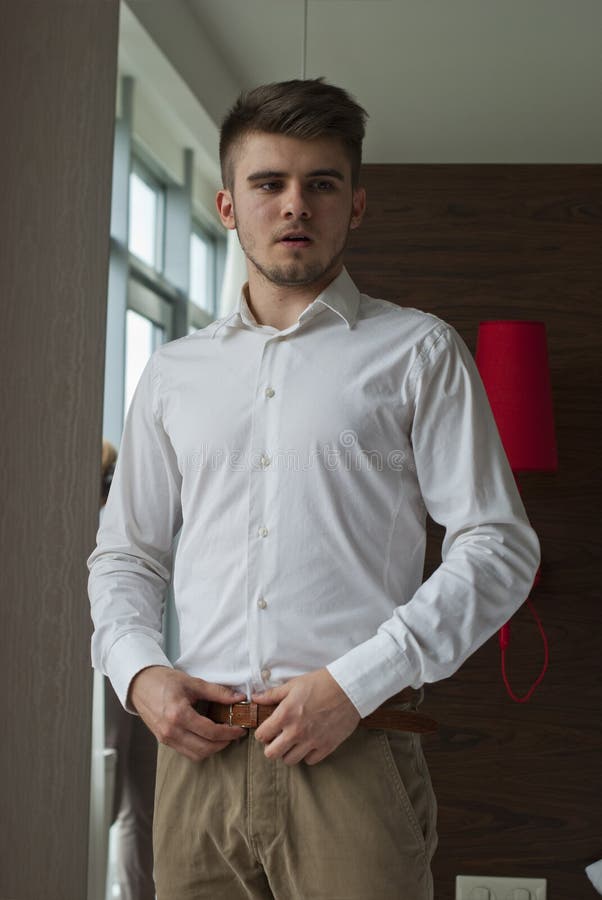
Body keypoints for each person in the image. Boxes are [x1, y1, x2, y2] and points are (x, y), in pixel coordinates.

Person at [88, 78, 540, 900]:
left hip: (355, 752)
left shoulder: (419, 353)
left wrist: (357, 681)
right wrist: (140, 675)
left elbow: (499, 547)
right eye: (269, 184)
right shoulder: (173, 374)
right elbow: (126, 557)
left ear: (355, 206)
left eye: (321, 184)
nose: (295, 205)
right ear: (228, 205)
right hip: (197, 765)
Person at [100, 440, 157, 900]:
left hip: (147, 670)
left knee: (142, 801)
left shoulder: (125, 531)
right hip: (110, 671)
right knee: (115, 793)